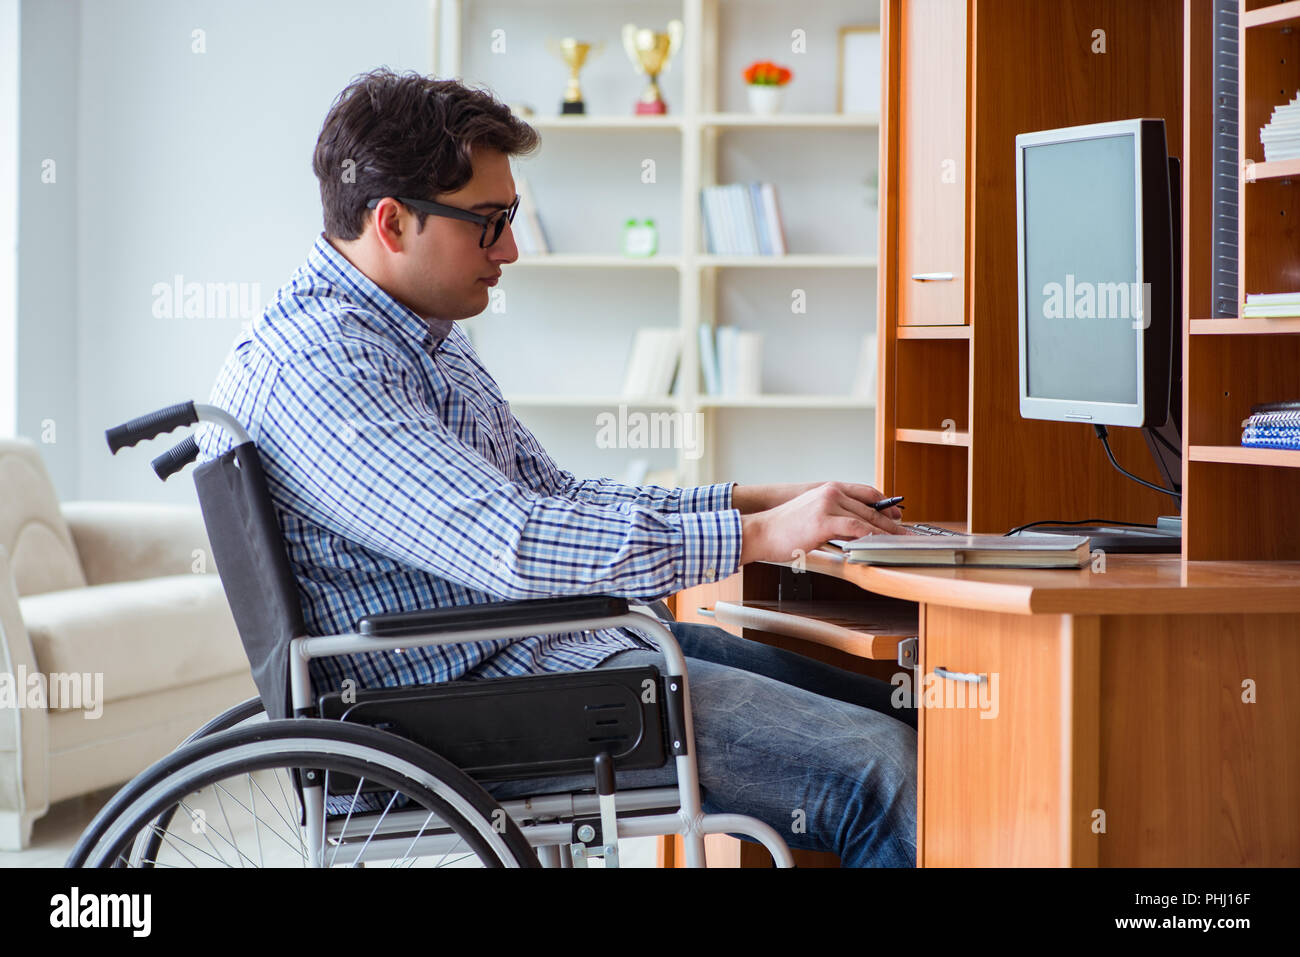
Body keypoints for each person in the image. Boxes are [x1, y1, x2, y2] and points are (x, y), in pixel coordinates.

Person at [199, 68, 917, 867]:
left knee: (900, 703)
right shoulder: (323, 365)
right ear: (393, 222)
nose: (510, 247)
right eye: (489, 221)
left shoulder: (417, 336)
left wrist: (752, 499)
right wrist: (755, 536)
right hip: (466, 705)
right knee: (883, 771)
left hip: (539, 660)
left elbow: (553, 495)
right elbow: (517, 543)